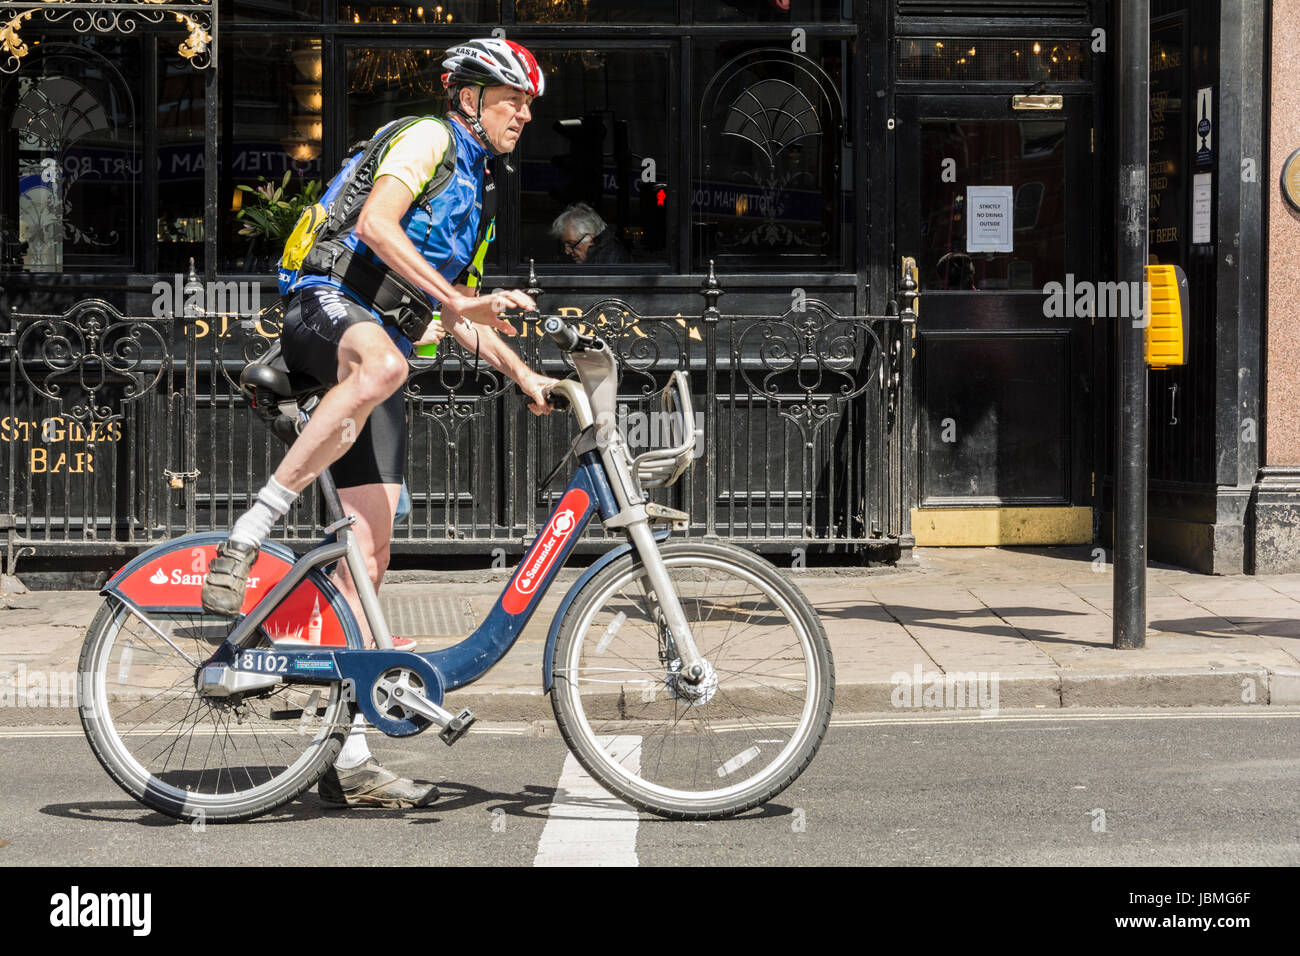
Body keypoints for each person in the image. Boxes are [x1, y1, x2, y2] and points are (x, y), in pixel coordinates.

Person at [200, 38, 558, 809]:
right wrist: (457, 302)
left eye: (529, 104)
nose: (524, 114)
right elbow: (375, 227)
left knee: (369, 547)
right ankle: (251, 529)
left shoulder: (482, 189)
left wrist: (525, 373)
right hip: (325, 304)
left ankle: (349, 753)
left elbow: (451, 304)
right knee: (387, 365)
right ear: (468, 98)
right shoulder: (427, 137)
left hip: (379, 347)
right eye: (511, 101)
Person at [550, 202, 630, 264]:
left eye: (571, 244)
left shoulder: (612, 260)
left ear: (590, 238)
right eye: (565, 245)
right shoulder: (605, 257)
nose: (567, 251)